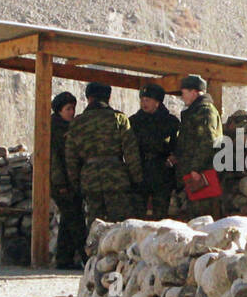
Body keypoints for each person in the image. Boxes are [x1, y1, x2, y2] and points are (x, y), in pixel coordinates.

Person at [64, 80, 143, 227]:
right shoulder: (119, 119)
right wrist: (136, 180)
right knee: (119, 227)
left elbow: (70, 158)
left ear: (89, 98)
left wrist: (76, 183)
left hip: (90, 180)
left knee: (95, 226)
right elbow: (131, 152)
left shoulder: (77, 123)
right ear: (108, 98)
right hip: (116, 179)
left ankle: (94, 250)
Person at [170, 74, 224, 219]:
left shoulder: (204, 111)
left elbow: (207, 141)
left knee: (203, 215)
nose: (182, 97)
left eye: (184, 93)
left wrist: (197, 168)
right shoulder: (195, 111)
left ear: (194, 92)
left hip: (202, 174)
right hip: (195, 172)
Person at [130, 82, 180, 219]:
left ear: (157, 102)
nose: (144, 103)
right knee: (137, 215)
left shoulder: (170, 122)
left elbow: (179, 145)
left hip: (162, 172)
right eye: (142, 100)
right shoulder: (134, 121)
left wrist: (173, 158)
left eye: (147, 100)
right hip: (140, 171)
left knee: (161, 214)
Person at [50, 91, 87, 268]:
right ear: (59, 110)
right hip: (63, 184)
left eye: (73, 108)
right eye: (68, 109)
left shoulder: (68, 128)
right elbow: (55, 160)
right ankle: (85, 258)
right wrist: (61, 184)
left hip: (72, 181)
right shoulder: (55, 130)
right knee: (76, 221)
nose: (71, 112)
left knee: (68, 220)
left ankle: (64, 259)